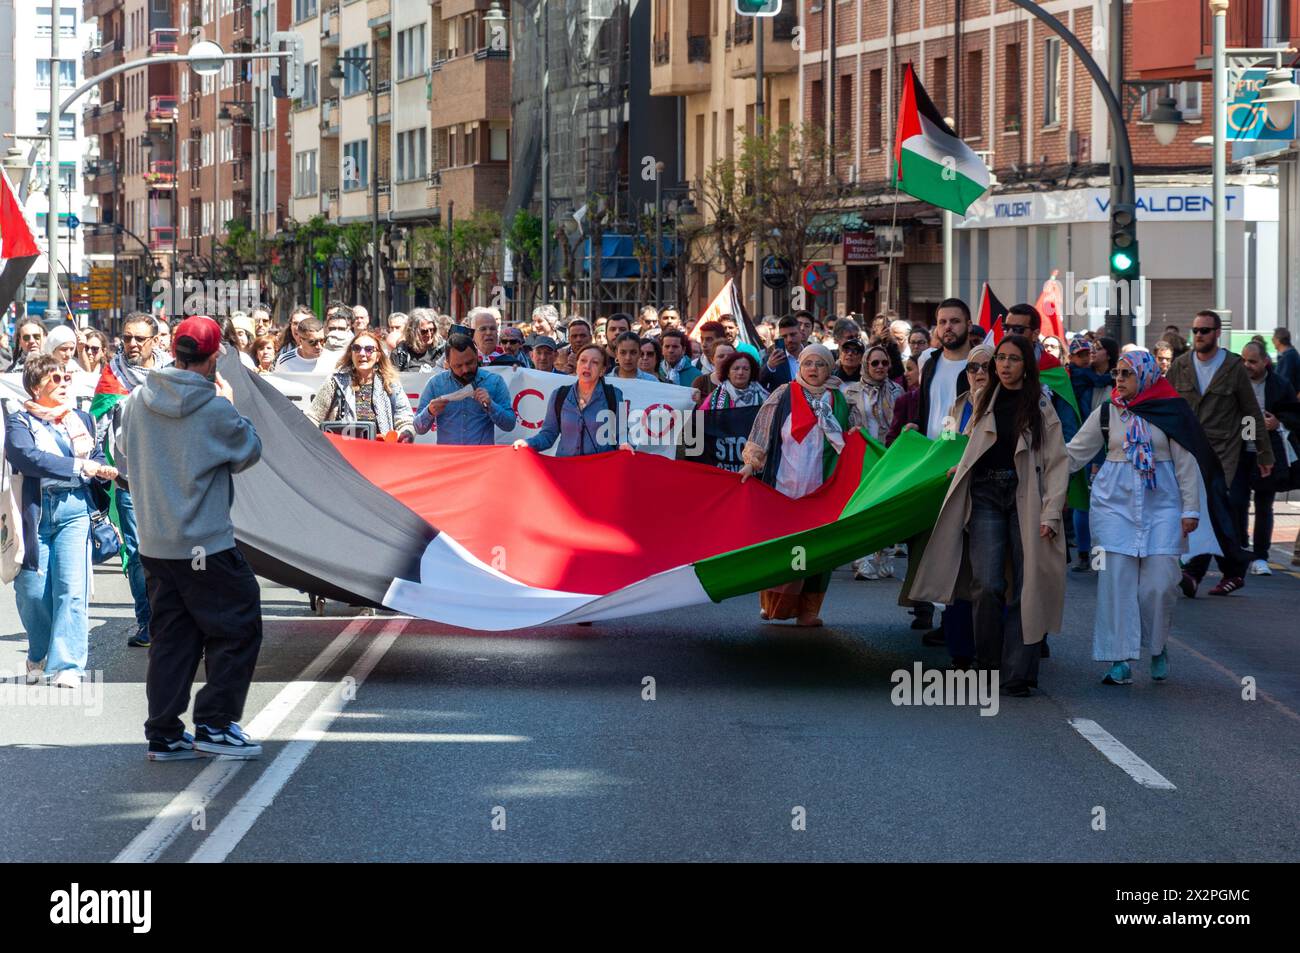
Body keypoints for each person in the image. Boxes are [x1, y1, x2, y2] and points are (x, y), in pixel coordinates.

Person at [117, 316, 265, 760]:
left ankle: (163, 732)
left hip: (157, 543)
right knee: (238, 626)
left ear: (173, 350)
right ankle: (215, 725)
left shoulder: (138, 400)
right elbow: (249, 451)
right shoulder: (216, 407)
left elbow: (123, 452)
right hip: (205, 544)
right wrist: (231, 404)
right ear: (214, 355)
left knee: (172, 638)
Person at [912, 335, 1068, 696]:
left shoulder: (1041, 406)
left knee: (1026, 586)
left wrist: (1052, 513)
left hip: (1024, 497)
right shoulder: (981, 401)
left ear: (1026, 365)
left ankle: (1018, 673)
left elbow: (1058, 462)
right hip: (984, 495)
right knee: (986, 583)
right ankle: (987, 663)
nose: (1005, 365)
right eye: (1001, 359)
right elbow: (965, 443)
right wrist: (956, 467)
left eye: (1014, 359)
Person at [1064, 350, 1202, 684]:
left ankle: (1157, 646)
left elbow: (1187, 462)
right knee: (1115, 584)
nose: (1119, 380)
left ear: (1146, 375)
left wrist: (1190, 508)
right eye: (1117, 373)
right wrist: (1035, 463)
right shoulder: (1107, 413)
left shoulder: (1170, 411)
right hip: (1114, 507)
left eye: (1127, 373)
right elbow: (1073, 454)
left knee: (1160, 585)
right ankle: (1119, 659)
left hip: (1163, 507)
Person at [6, 354, 116, 687]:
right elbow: (27, 457)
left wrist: (101, 469)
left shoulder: (81, 418)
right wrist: (79, 467)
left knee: (72, 588)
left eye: (67, 378)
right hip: (35, 512)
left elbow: (94, 456)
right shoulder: (19, 422)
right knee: (33, 591)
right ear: (36, 386)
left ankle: (68, 665)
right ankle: (39, 654)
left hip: (75, 509)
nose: (65, 384)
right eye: (56, 379)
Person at [739, 344, 863, 626]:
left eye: (820, 364)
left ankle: (808, 611)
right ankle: (773, 604)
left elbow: (853, 437)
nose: (813, 369)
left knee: (818, 551)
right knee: (781, 546)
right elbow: (763, 430)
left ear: (830, 367)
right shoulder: (784, 394)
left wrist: (857, 435)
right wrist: (752, 461)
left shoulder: (840, 400)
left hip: (822, 490)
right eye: (808, 363)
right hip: (783, 486)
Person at [1168, 310, 1273, 596]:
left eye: (1204, 330)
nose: (1198, 335)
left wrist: (1260, 453)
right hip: (1189, 451)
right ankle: (1227, 570)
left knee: (1214, 508)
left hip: (1225, 453)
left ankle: (1197, 573)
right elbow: (1166, 405)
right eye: (1195, 330)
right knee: (1201, 509)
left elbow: (1250, 412)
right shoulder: (1180, 366)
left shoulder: (1233, 367)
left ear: (1217, 333)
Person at [91, 313, 164, 648]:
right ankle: (147, 621)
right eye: (127, 338)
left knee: (174, 554)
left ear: (155, 340)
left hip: (168, 483)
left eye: (139, 339)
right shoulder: (112, 377)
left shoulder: (172, 374)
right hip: (129, 483)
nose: (132, 345)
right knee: (136, 552)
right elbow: (97, 428)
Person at [845, 344, 905, 581]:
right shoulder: (850, 391)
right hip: (863, 455)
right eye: (875, 363)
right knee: (865, 507)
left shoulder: (898, 391)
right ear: (866, 365)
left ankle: (885, 554)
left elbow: (903, 422)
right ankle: (863, 557)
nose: (880, 367)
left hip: (889, 454)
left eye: (884, 363)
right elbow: (842, 422)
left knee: (887, 507)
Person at [1240, 341, 1300, 575]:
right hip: (1240, 452)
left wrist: (1278, 422)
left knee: (1264, 505)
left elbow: (1294, 415)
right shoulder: (1237, 383)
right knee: (1237, 503)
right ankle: (1241, 548)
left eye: (1252, 361)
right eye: (1244, 360)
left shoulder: (1279, 385)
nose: (1247, 365)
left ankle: (1260, 556)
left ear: (1265, 361)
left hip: (1268, 454)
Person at [513, 344, 633, 456]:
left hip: (600, 469)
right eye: (583, 361)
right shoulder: (559, 394)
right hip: (566, 469)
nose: (587, 366)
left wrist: (624, 445)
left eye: (595, 362)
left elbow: (622, 434)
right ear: (577, 366)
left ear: (602, 370)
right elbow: (548, 435)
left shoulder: (616, 394)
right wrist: (528, 443)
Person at [307, 330, 416, 441]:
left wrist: (404, 434)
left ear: (378, 356)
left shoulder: (390, 383)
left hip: (381, 452)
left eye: (369, 349)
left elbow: (406, 420)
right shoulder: (334, 382)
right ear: (351, 354)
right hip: (341, 453)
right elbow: (313, 418)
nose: (362, 353)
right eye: (357, 348)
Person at [413, 334, 515, 444]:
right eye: (458, 365)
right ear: (448, 362)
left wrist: (491, 405)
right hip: (449, 458)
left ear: (476, 355)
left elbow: (509, 425)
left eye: (469, 362)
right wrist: (429, 411)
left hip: (481, 458)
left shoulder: (494, 382)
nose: (465, 369)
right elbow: (418, 428)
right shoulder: (436, 384)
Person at [699, 351, 767, 409]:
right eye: (736, 369)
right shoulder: (715, 397)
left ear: (751, 373)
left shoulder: (764, 396)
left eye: (746, 369)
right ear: (728, 373)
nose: (740, 372)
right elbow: (700, 419)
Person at [886, 356, 922, 445]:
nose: (905, 374)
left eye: (910, 369)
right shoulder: (905, 400)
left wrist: (947, 442)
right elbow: (891, 438)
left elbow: (950, 435)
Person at [760, 315, 803, 390]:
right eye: (785, 336)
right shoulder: (772, 359)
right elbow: (759, 384)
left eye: (793, 334)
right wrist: (769, 367)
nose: (789, 339)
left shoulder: (812, 354)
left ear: (801, 333)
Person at [1274, 327, 1300, 397]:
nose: (1272, 340)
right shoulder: (1291, 354)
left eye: (1274, 338)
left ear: (1278, 340)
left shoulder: (1288, 357)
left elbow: (1282, 381)